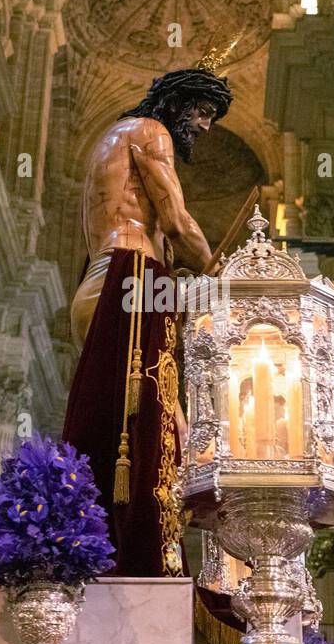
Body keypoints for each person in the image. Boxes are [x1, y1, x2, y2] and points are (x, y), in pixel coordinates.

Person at [62, 56, 232, 578]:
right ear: (175, 103)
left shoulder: (110, 140)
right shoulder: (149, 130)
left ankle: (109, 543)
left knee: (153, 418)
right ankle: (142, 552)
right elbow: (177, 220)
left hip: (106, 280)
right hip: (131, 282)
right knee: (149, 421)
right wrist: (220, 272)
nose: (203, 126)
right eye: (201, 111)